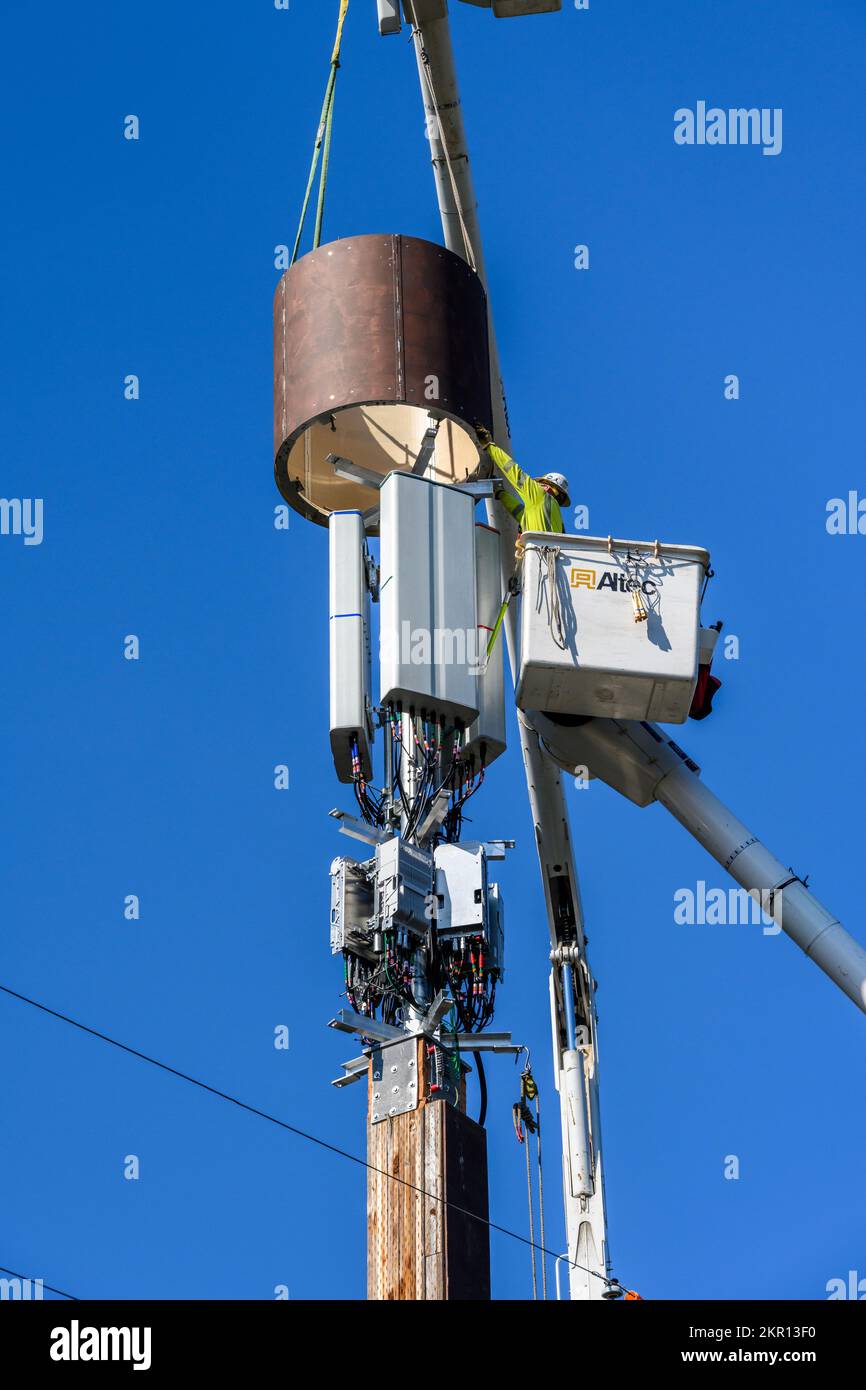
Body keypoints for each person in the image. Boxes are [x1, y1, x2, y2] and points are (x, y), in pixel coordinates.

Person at [474, 424, 570, 535]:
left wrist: (489, 446)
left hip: (539, 550)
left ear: (547, 486)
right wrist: (501, 493)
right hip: (545, 550)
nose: (536, 485)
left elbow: (514, 471)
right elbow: (519, 511)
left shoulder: (540, 495)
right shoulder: (557, 521)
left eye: (539, 483)